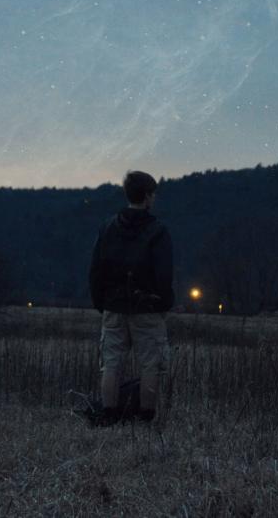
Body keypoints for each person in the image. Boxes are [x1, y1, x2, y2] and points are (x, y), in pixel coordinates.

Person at [88, 170, 174, 425]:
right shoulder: (158, 231)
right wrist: (163, 302)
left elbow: (96, 269)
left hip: (113, 306)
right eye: (153, 195)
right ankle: (145, 417)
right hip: (146, 308)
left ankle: (109, 414)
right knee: (151, 364)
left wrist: (100, 302)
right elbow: (164, 273)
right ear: (147, 196)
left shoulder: (107, 227)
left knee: (111, 363)